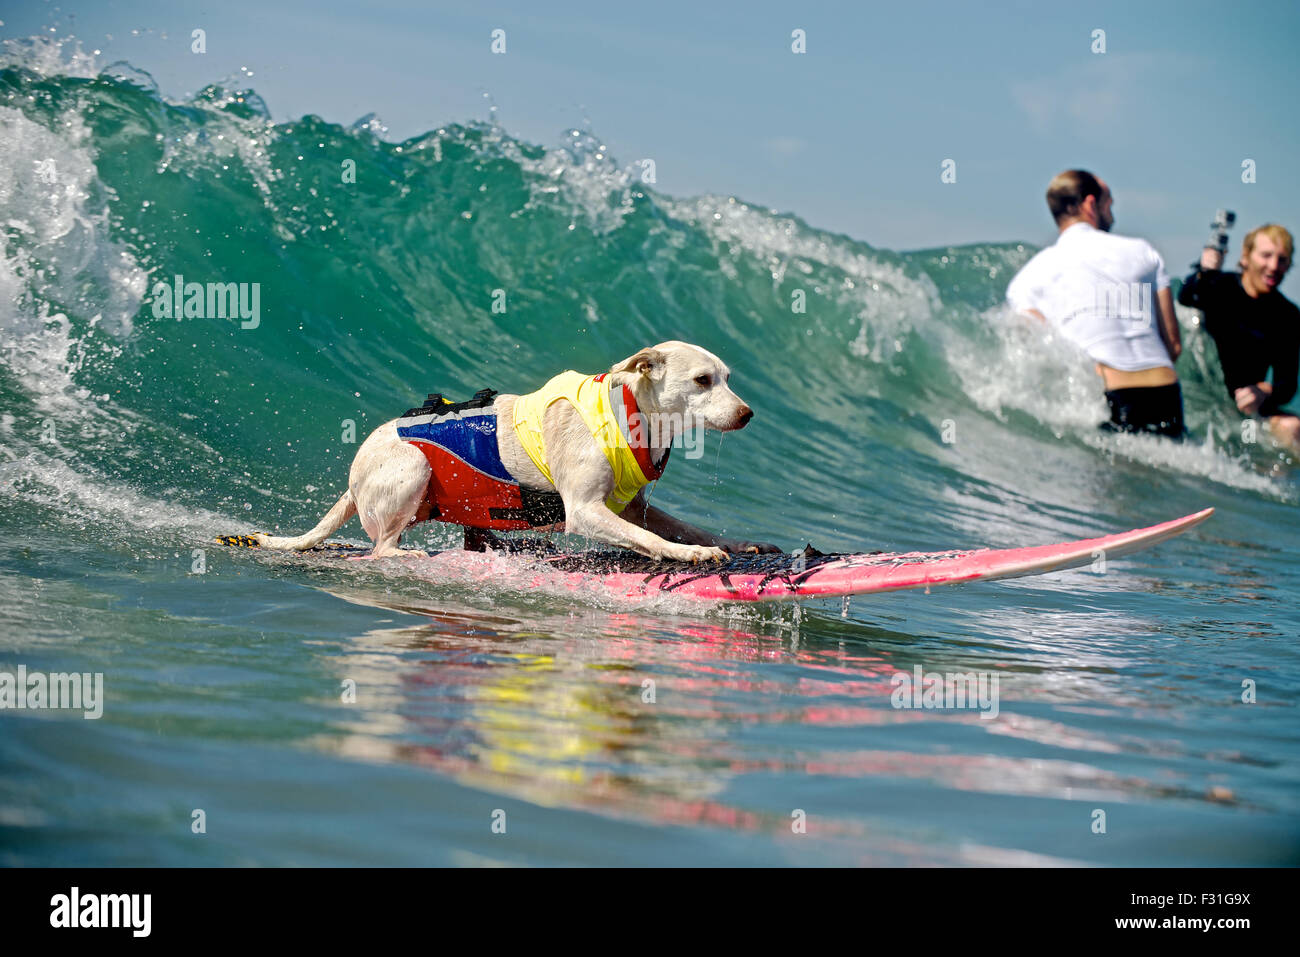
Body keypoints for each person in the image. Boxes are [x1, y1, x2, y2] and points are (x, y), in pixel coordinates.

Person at [1006, 170, 1185, 437]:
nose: (1112, 212)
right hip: (1166, 389)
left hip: (1114, 394)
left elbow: (1044, 349)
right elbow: (1173, 345)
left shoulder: (1028, 278)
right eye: (1109, 203)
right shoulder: (1143, 250)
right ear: (1090, 204)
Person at [1177, 224, 1299, 449]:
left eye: (1282, 259)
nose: (1273, 266)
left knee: (1293, 427)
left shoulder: (1287, 315)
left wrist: (1264, 391)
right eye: (1266, 255)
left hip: (1245, 415)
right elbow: (1186, 296)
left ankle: (1276, 482)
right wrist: (1204, 271)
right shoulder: (1220, 286)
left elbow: (1287, 384)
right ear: (1246, 256)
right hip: (1201, 402)